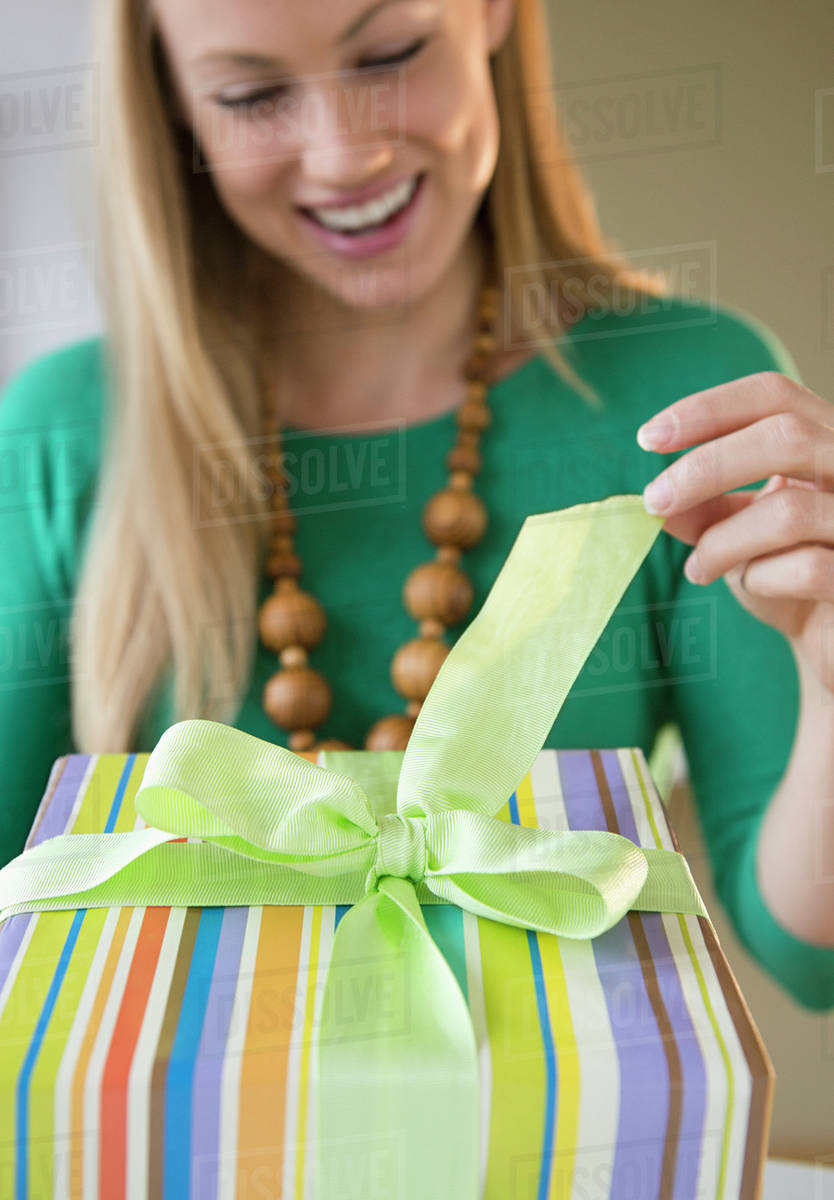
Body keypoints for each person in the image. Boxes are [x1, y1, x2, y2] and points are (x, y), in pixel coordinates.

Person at [1, 0, 833, 1012]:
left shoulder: (692, 391)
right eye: (253, 94)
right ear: (171, 101)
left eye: (391, 53)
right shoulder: (62, 432)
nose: (345, 154)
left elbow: (809, 957)